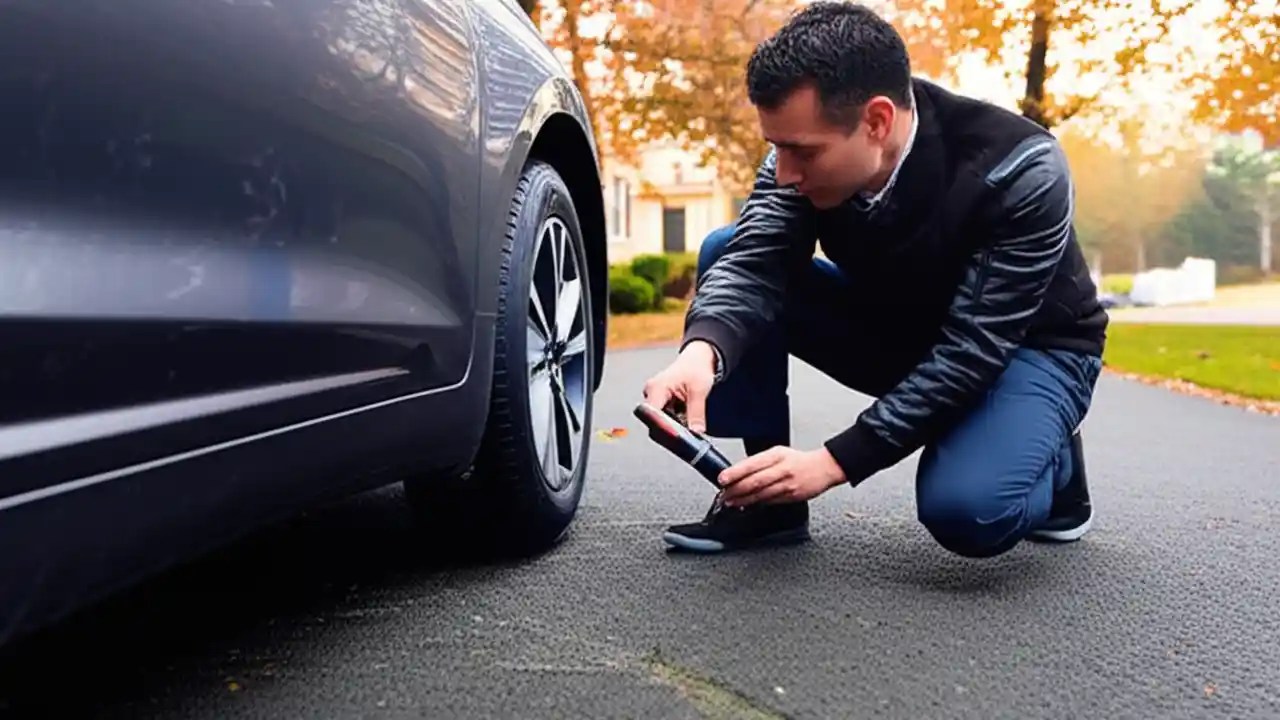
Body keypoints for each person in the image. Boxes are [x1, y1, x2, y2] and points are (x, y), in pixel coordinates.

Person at [642, 0, 1109, 557]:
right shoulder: (800, 160)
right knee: (727, 247)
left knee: (967, 511)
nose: (783, 172)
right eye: (776, 148)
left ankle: (1049, 459)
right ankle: (767, 505)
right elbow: (755, 261)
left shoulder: (1021, 171)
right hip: (907, 328)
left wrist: (833, 462)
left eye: (802, 152)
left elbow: (974, 350)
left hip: (1028, 351)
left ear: (878, 121)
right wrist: (704, 351)